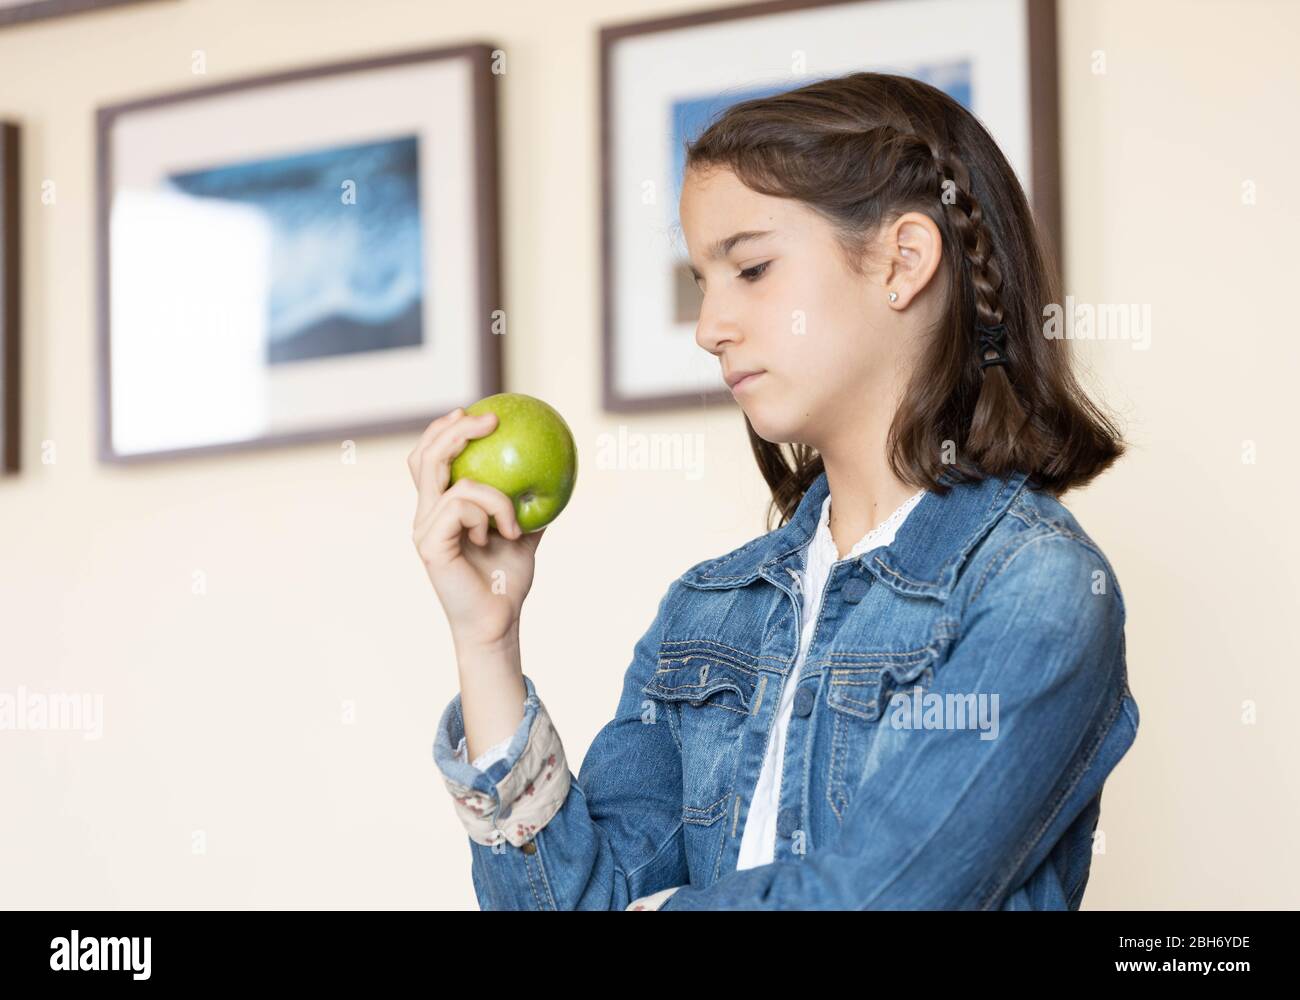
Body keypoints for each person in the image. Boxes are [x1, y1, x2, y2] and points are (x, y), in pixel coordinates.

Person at [409, 71, 1139, 910]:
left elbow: (880, 898)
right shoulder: (707, 609)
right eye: (701, 282)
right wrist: (487, 642)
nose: (710, 326)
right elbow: (574, 900)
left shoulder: (1036, 590)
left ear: (902, 261)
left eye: (750, 268)